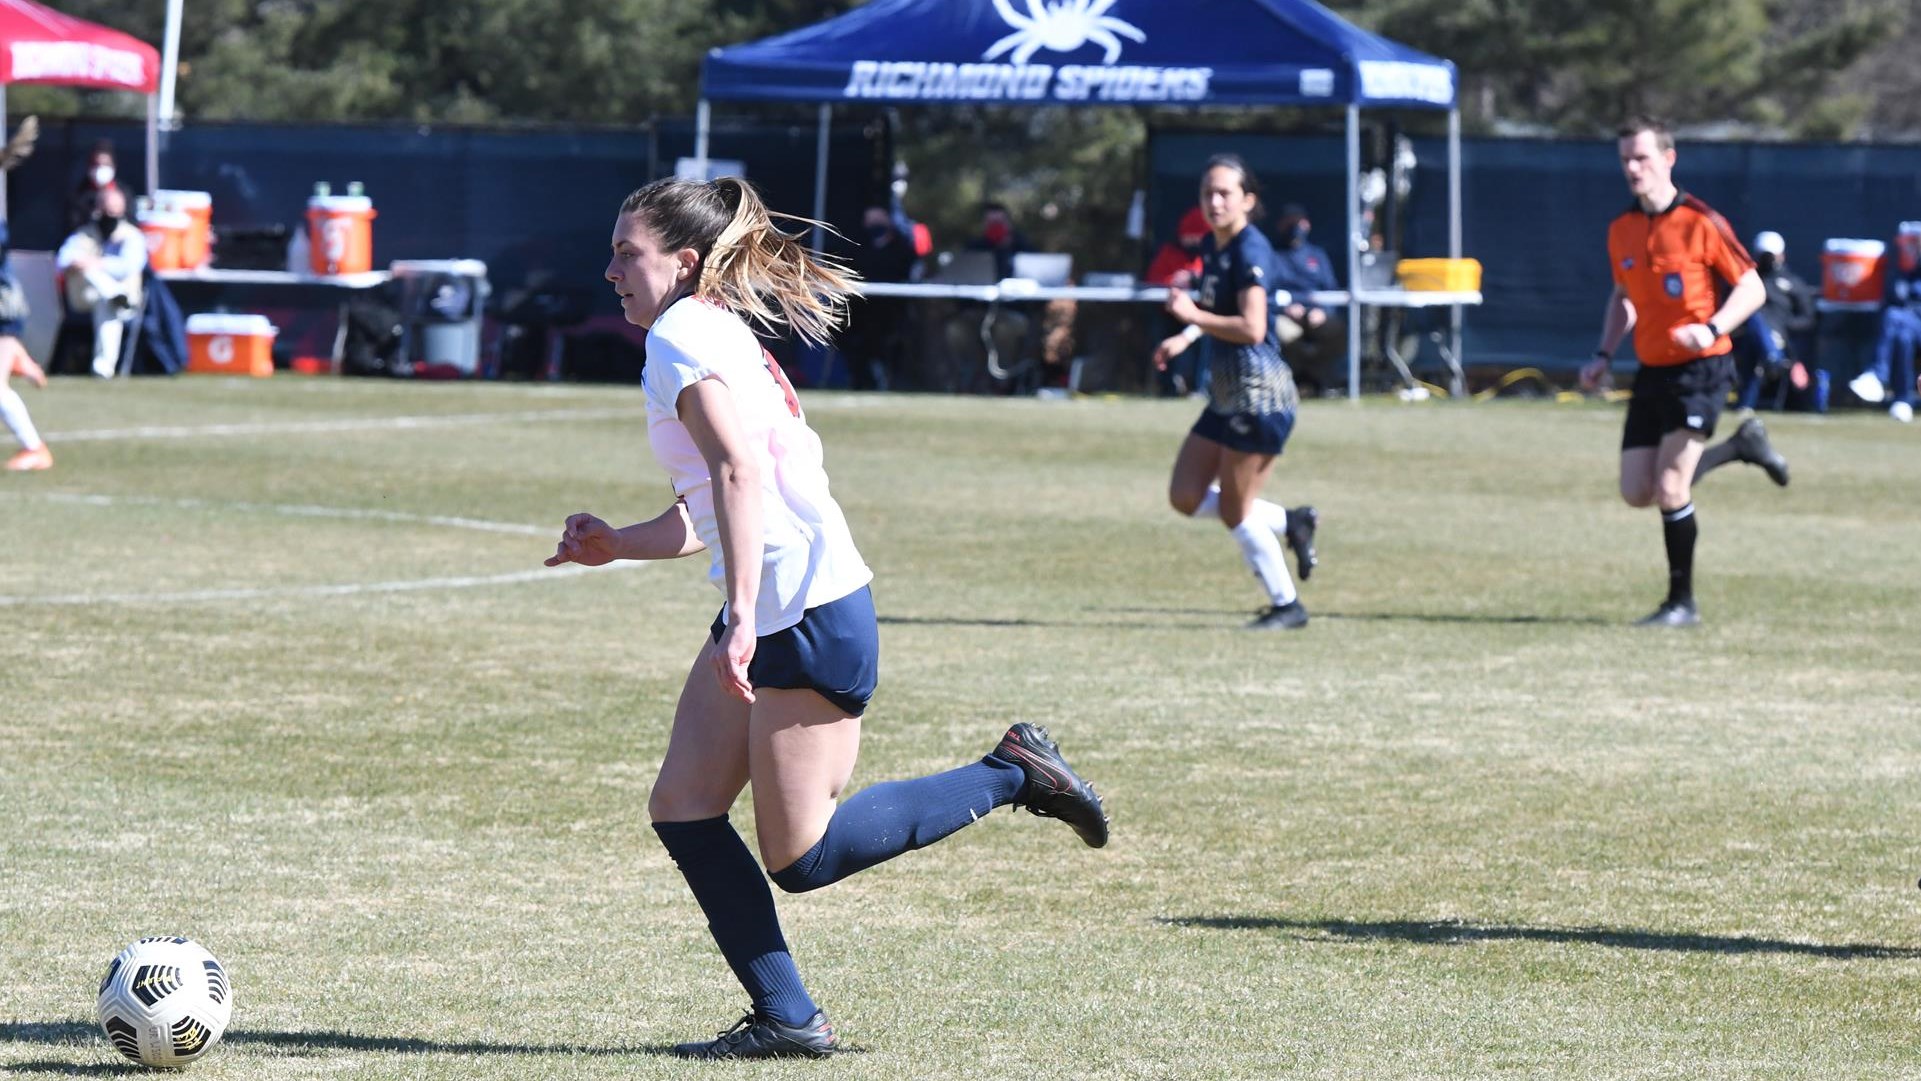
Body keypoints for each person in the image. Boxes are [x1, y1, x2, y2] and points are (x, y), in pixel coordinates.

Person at [546, 176, 1109, 1059]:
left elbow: (740, 474)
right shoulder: (703, 331)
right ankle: (789, 1018)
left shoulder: (681, 341)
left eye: (628, 252)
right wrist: (617, 542)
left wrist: (739, 615)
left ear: (683, 261)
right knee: (685, 807)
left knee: (801, 856)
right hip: (778, 605)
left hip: (801, 611)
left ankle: (1012, 773)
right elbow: (708, 503)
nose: (610, 268)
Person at [1578, 116, 1789, 628]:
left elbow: (1752, 288)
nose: (1633, 167)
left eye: (1642, 157)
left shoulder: (1700, 221)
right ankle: (1741, 447)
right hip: (1653, 369)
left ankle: (1681, 604)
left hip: (1703, 367)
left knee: (1672, 487)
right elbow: (1623, 298)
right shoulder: (1621, 230)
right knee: (1637, 491)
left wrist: (1712, 326)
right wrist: (1603, 355)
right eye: (1626, 158)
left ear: (1668, 159)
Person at [1151, 155, 1319, 630]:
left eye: (1225, 193)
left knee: (1234, 511)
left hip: (1260, 395)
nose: (1215, 201)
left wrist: (1191, 317)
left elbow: (1252, 327)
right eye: (1208, 193)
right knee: (1185, 495)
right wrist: (1184, 336)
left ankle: (1288, 606)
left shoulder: (1250, 251)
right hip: (1228, 394)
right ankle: (1291, 522)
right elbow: (1215, 309)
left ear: (1248, 200)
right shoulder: (1215, 243)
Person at [57, 185, 147, 378]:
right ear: (97, 209)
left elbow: (129, 266)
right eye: (106, 209)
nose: (110, 214)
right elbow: (62, 260)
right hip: (83, 297)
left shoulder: (132, 236)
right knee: (92, 276)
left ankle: (102, 368)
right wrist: (80, 263)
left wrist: (97, 262)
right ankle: (113, 293)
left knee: (106, 304)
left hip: (126, 301)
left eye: (114, 210)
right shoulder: (84, 234)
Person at [942, 202, 1034, 389]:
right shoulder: (974, 248)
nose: (994, 226)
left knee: (1005, 329)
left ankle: (1003, 382)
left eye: (998, 221)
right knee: (956, 329)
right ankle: (972, 379)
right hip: (977, 311)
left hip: (1010, 311)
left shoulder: (1023, 248)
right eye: (990, 222)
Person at [1732, 230, 1816, 413]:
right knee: (1755, 320)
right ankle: (1771, 358)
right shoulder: (1748, 281)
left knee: (1755, 334)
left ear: (1781, 255)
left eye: (1771, 255)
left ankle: (1746, 403)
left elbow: (1808, 318)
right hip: (1747, 336)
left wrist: (1784, 326)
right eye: (1764, 255)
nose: (1768, 260)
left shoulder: (1792, 283)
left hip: (1782, 340)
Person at [1267, 203, 1346, 394]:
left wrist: (1322, 311)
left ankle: (1316, 379)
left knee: (1337, 332)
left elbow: (1330, 290)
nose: (1295, 227)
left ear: (1307, 225)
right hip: (1285, 314)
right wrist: (1285, 308)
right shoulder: (1272, 255)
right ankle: (1297, 380)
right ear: (1280, 225)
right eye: (1289, 222)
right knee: (1286, 335)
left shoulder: (1317, 255)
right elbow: (1264, 293)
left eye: (1299, 222)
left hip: (1316, 314)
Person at [838, 204, 918, 390]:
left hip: (892, 309)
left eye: (878, 219)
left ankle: (888, 378)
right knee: (844, 328)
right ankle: (862, 378)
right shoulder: (859, 248)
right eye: (870, 220)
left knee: (886, 334)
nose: (874, 224)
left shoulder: (903, 249)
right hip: (860, 309)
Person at [1845, 228, 1921, 423]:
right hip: (1911, 327)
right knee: (1902, 337)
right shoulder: (1908, 273)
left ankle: (1878, 375)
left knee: (1893, 316)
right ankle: (1902, 401)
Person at [1145, 208, 1210, 397]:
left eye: (1197, 237)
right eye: (1189, 237)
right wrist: (1174, 282)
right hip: (1171, 314)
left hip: (1201, 317)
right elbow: (1154, 281)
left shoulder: (1210, 254)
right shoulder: (1169, 252)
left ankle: (1199, 387)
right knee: (1163, 334)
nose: (1193, 242)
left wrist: (1194, 279)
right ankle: (1168, 386)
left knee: (1205, 339)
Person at [68, 140, 124, 231]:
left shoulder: (123, 192)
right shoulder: (79, 194)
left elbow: (132, 221)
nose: (101, 168)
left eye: (105, 164)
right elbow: (73, 224)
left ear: (113, 166)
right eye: (97, 164)